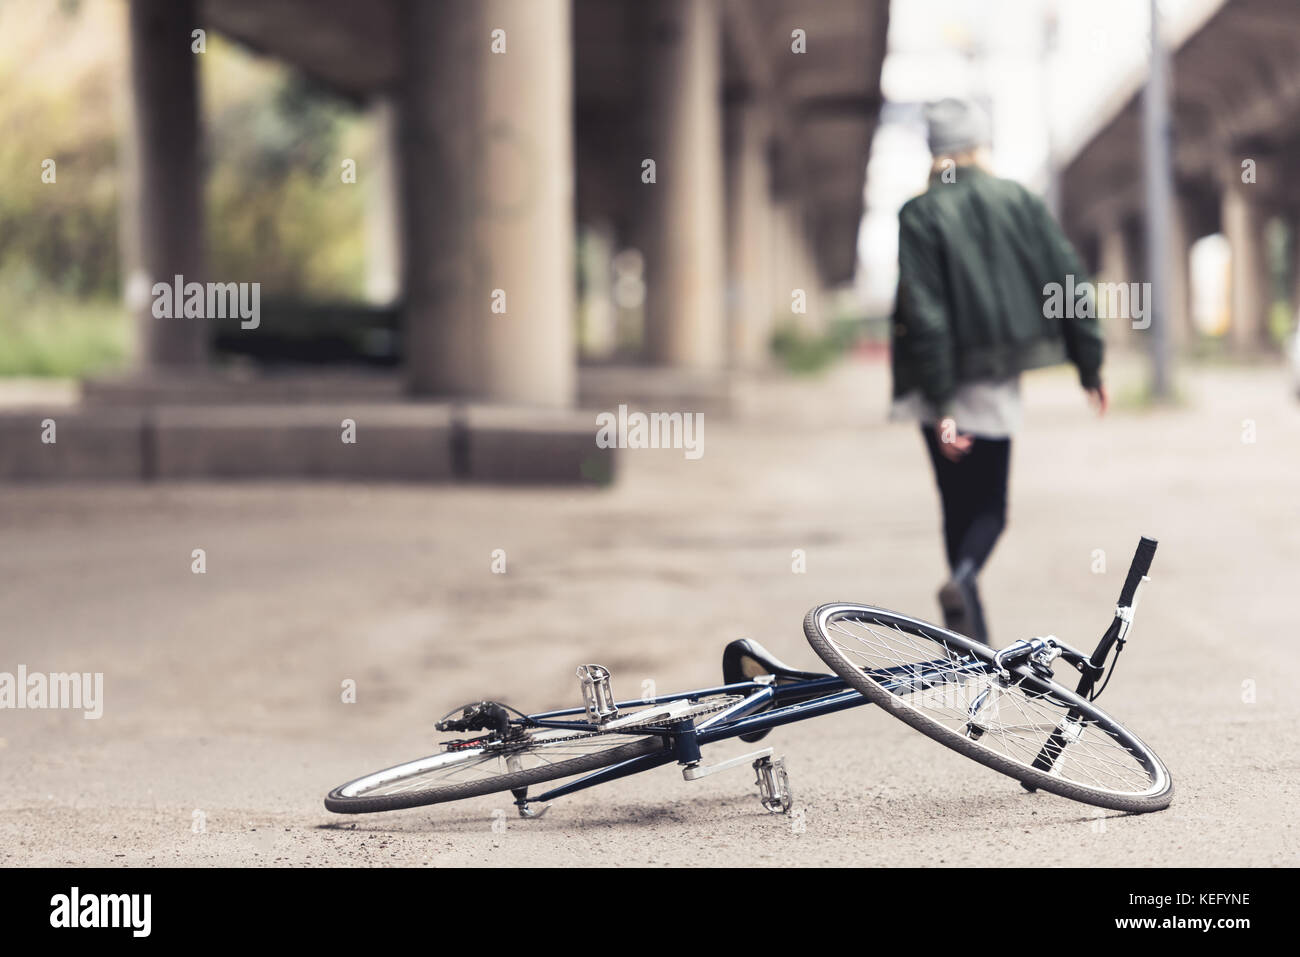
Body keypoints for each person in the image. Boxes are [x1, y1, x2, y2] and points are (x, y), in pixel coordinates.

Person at [889, 98, 1106, 646]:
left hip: (933, 383)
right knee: (991, 508)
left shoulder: (918, 212)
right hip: (992, 380)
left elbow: (926, 311)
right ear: (979, 144)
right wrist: (1089, 364)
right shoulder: (1019, 201)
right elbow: (1070, 284)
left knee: (954, 504)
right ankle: (963, 587)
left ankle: (970, 631)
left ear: (934, 151)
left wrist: (940, 404)